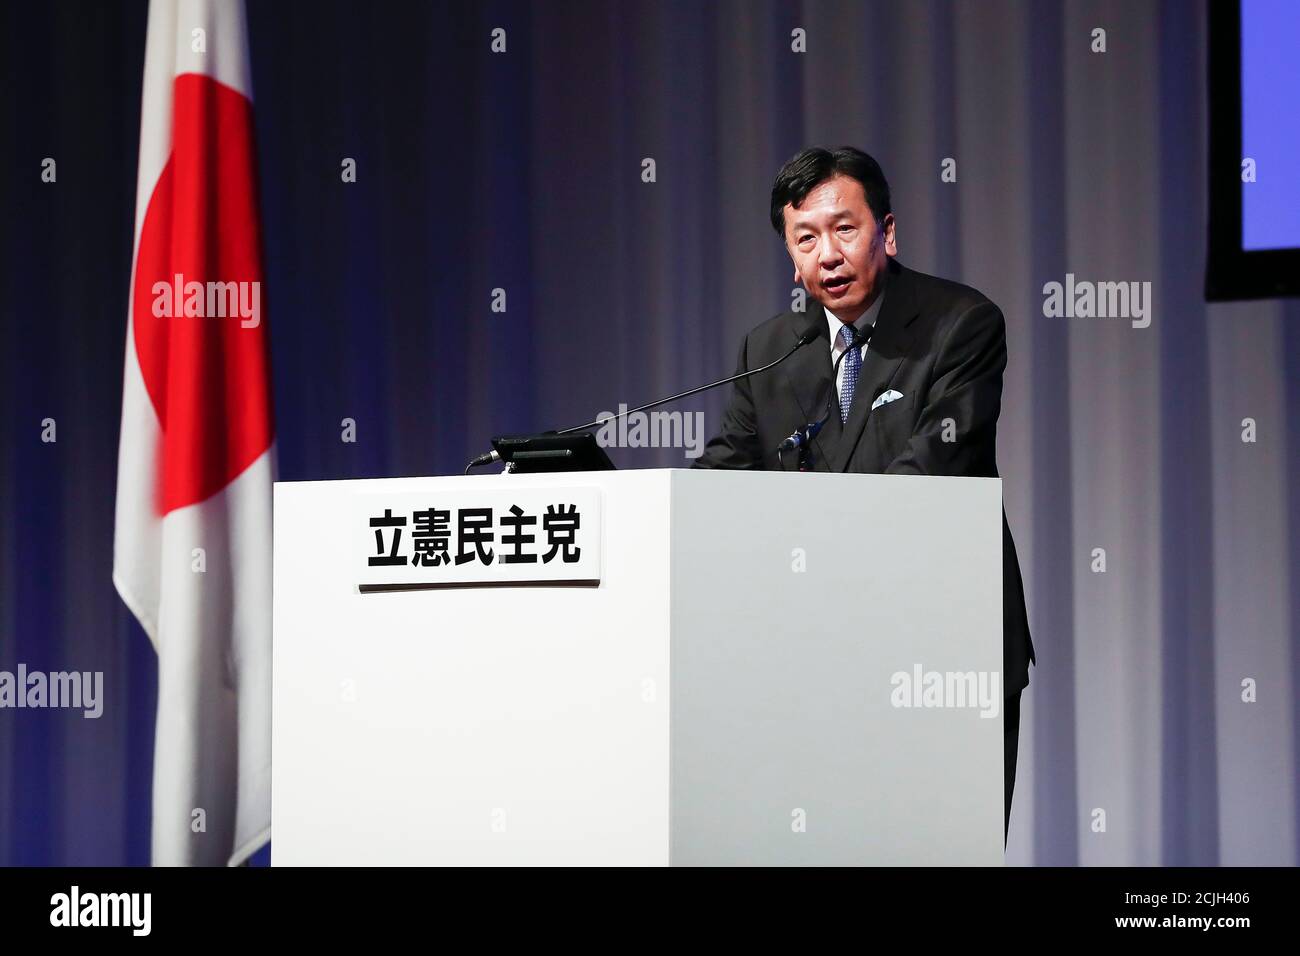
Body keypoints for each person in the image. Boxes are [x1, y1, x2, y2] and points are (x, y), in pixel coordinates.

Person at [694, 146, 1036, 843]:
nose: (828, 254)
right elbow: (724, 477)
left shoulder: (960, 324)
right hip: (816, 663)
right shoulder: (768, 351)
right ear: (791, 259)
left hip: (944, 654)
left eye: (844, 229)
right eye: (806, 238)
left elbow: (934, 468)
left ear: (888, 232)